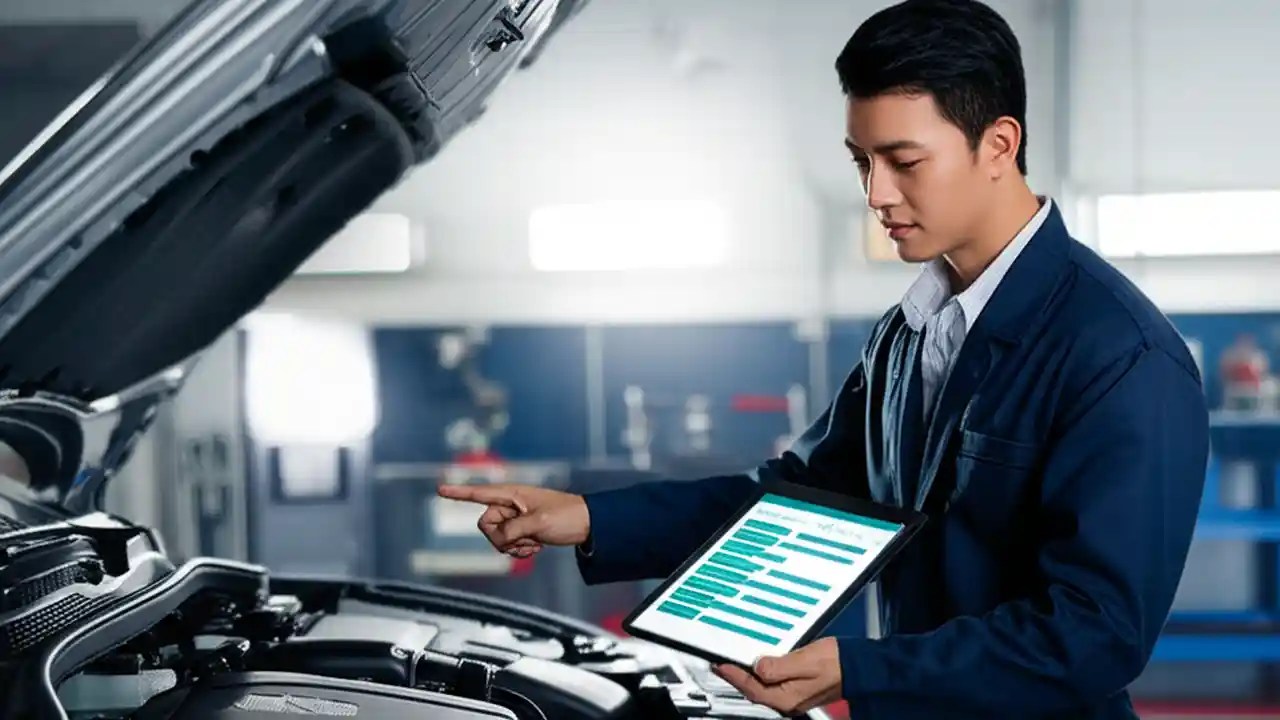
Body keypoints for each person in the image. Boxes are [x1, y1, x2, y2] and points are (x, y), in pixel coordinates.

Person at [439, 1, 1210, 717]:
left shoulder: (1121, 355)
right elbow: (796, 499)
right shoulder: (907, 332)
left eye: (904, 161)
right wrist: (586, 517)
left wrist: (862, 669)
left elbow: (1096, 635)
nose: (875, 193)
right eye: (861, 160)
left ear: (998, 145)